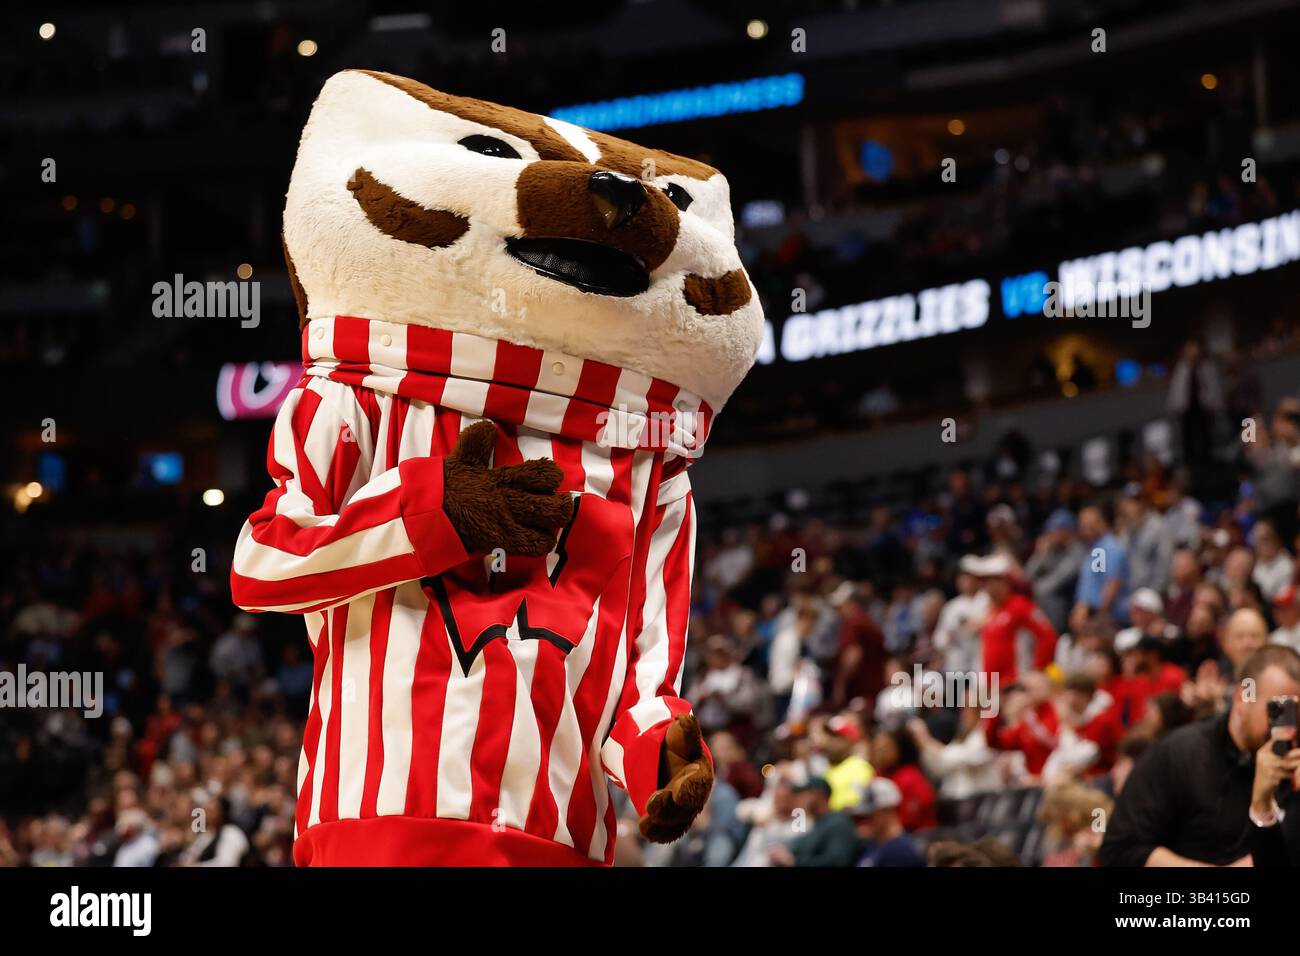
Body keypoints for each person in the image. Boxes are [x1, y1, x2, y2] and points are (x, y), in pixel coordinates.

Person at [1099, 645, 1300, 866]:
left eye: (1295, 715)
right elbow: (1119, 849)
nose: (1288, 728)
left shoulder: (1293, 769)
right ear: (1244, 696)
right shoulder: (1179, 752)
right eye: (1278, 711)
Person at [970, 552, 1057, 688]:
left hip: (1015, 685)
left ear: (1004, 581)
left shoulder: (1020, 605)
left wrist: (1037, 671)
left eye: (989, 580)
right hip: (993, 688)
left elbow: (1047, 636)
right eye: (983, 581)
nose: (985, 586)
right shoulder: (991, 611)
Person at [770, 778, 860, 867]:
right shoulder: (818, 822)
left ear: (818, 795)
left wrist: (794, 862)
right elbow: (797, 845)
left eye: (804, 793)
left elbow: (838, 861)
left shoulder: (838, 822)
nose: (799, 799)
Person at [1071, 505, 1131, 631]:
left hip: (1106, 619)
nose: (1086, 529)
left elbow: (1112, 584)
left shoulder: (1107, 548)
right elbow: (1094, 582)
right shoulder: (1096, 548)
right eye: (1083, 525)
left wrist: (1095, 615)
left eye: (1090, 525)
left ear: (1101, 523)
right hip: (1090, 615)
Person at [1025, 509, 1084, 633]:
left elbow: (1055, 583)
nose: (1050, 534)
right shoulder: (1052, 551)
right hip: (1052, 609)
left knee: (1048, 595)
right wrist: (1039, 555)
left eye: (1055, 530)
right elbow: (1027, 576)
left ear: (1068, 531)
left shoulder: (1078, 551)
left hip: (1070, 609)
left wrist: (1032, 587)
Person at [869, 726, 936, 830]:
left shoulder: (910, 777)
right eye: (876, 748)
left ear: (899, 748)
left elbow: (910, 819)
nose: (879, 753)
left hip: (916, 835)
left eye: (885, 748)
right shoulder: (878, 774)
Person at [851, 778, 925, 867]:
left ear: (888, 811)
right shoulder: (871, 845)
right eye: (860, 819)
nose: (862, 824)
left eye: (869, 817)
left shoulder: (900, 850)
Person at [1271, 584, 1300, 651]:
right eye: (1278, 609)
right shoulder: (1274, 639)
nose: (1280, 614)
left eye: (1285, 609)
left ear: (1297, 609)